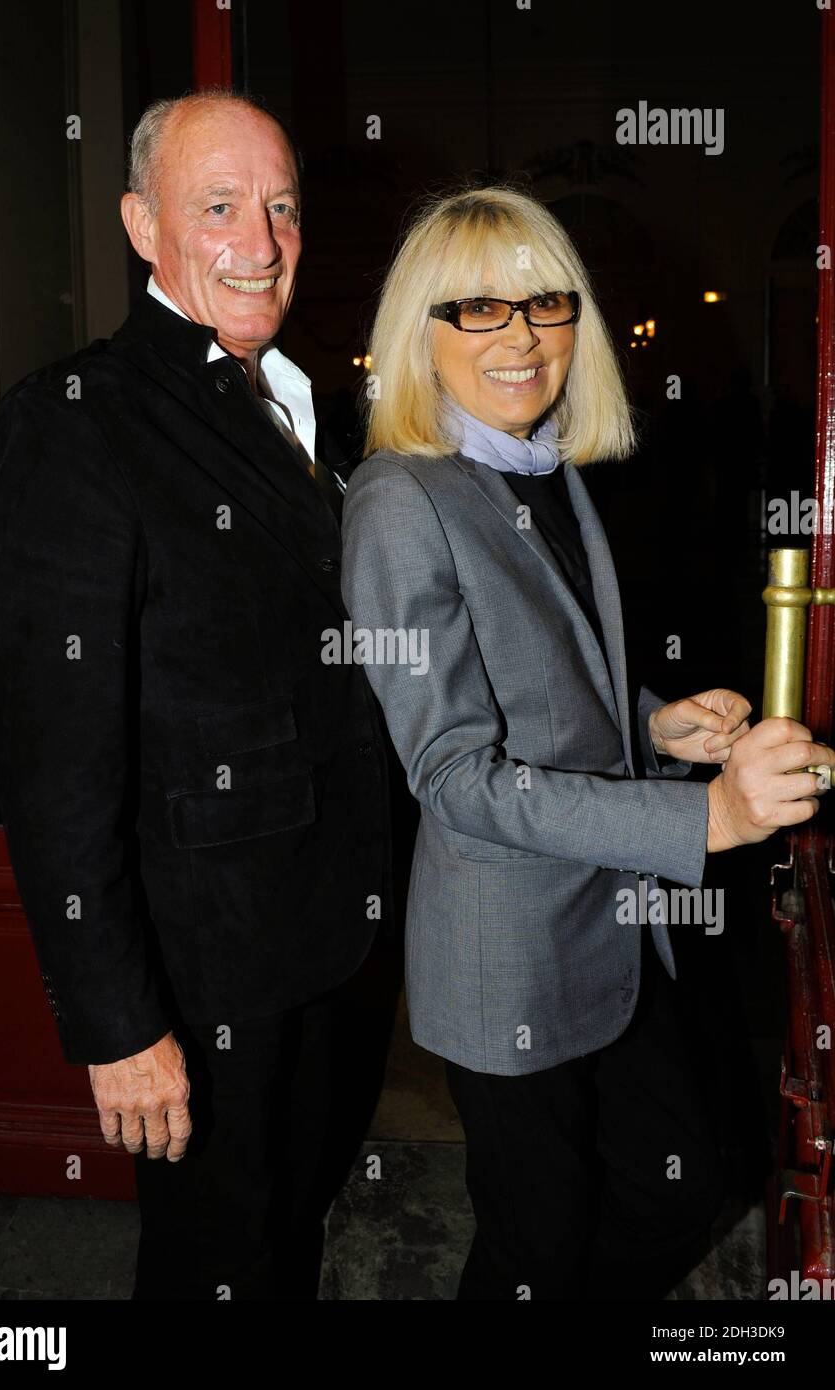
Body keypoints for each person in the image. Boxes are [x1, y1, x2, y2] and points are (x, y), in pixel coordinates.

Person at [340, 185, 834, 1301]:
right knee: (534, 1243)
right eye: (476, 307)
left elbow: (543, 681)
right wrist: (704, 815)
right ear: (420, 330)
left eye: (543, 302)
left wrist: (652, 722)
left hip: (611, 928)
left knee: (680, 1180)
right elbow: (453, 772)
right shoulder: (400, 500)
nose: (519, 335)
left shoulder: (540, 466)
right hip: (505, 949)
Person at [0, 89, 391, 1301]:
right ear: (139, 226)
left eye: (280, 209)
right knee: (215, 1264)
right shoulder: (76, 423)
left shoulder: (314, 403)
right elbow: (52, 761)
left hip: (332, 942)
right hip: (204, 980)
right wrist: (113, 1021)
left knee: (289, 1240)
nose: (259, 244)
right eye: (217, 208)